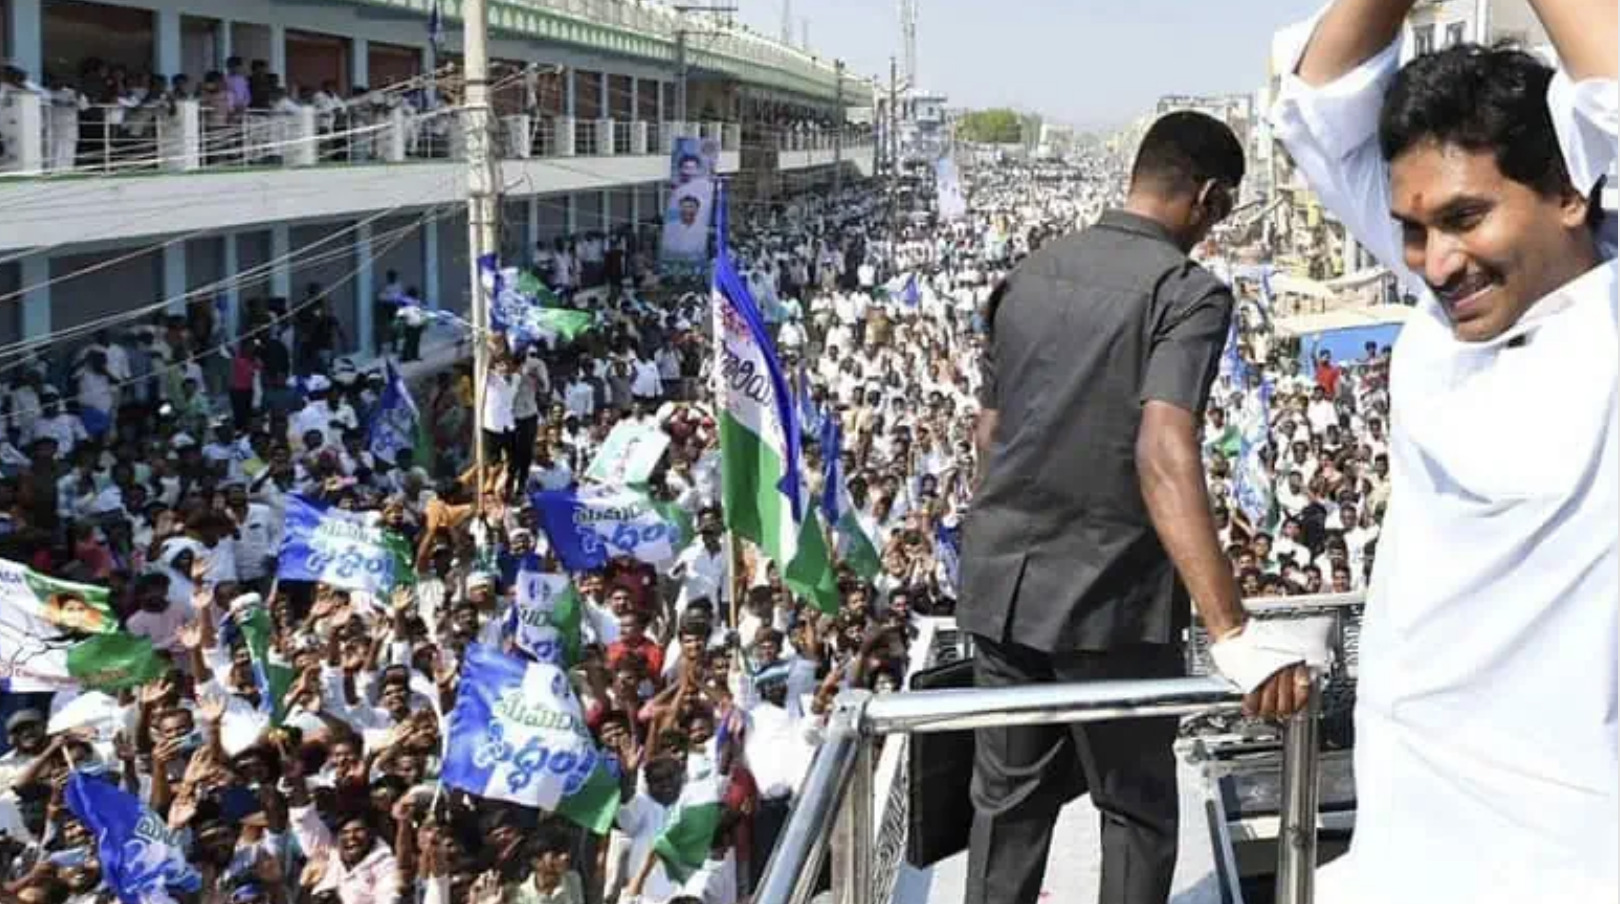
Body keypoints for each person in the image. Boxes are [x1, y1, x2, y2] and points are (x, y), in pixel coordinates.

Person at [1272, 0, 1617, 900]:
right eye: (1414, 230)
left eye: (1467, 217)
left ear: (1571, 192)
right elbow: (1319, 101)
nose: (1436, 261)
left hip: (1564, 863)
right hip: (1403, 842)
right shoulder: (1447, 298)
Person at [958, 111, 1321, 904]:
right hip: (1111, 600)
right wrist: (1230, 630)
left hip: (1001, 590)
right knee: (1135, 812)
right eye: (1221, 211)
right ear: (1210, 196)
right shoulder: (1185, 293)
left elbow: (988, 434)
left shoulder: (1029, 274)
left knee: (1008, 807)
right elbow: (1163, 447)